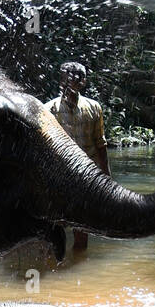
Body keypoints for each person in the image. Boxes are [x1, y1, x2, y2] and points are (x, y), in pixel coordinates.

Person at [44, 61, 111, 252]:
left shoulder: (94, 107)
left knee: (82, 234)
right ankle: (53, 270)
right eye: (66, 78)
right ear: (61, 81)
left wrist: (106, 177)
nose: (69, 83)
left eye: (74, 78)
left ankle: (77, 271)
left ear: (83, 82)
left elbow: (100, 144)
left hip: (86, 179)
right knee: (54, 234)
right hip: (57, 178)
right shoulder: (48, 110)